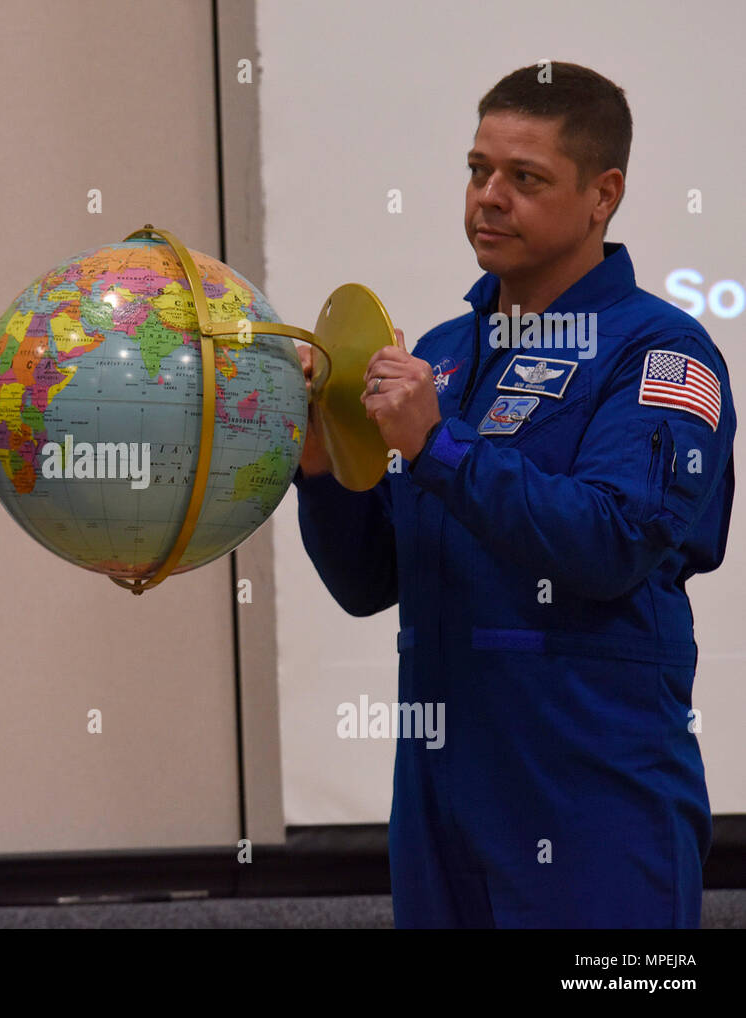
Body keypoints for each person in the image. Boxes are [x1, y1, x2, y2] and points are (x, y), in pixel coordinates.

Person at [292, 63, 734, 928]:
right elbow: (366, 581)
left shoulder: (662, 353)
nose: (488, 197)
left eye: (524, 178)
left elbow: (612, 540)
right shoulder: (446, 354)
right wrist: (317, 452)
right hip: (438, 809)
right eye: (476, 170)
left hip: (594, 805)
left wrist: (439, 446)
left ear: (603, 194)